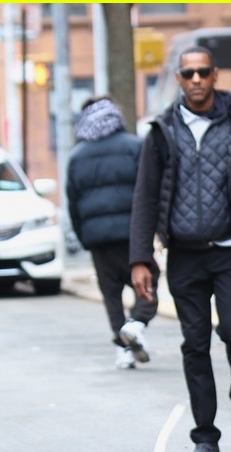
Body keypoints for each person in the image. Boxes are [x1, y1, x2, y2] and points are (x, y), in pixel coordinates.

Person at [129, 47, 231, 452]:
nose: (196, 79)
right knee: (194, 345)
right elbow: (144, 197)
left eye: (203, 72)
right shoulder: (162, 130)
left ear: (215, 75)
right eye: (188, 73)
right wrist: (140, 259)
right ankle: (206, 438)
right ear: (179, 78)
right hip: (184, 257)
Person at [66, 96, 159, 370]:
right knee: (148, 280)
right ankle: (136, 323)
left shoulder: (77, 155)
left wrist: (84, 236)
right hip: (133, 233)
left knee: (111, 292)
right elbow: (149, 190)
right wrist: (153, 228)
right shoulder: (134, 146)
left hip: (98, 238)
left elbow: (73, 201)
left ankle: (123, 349)